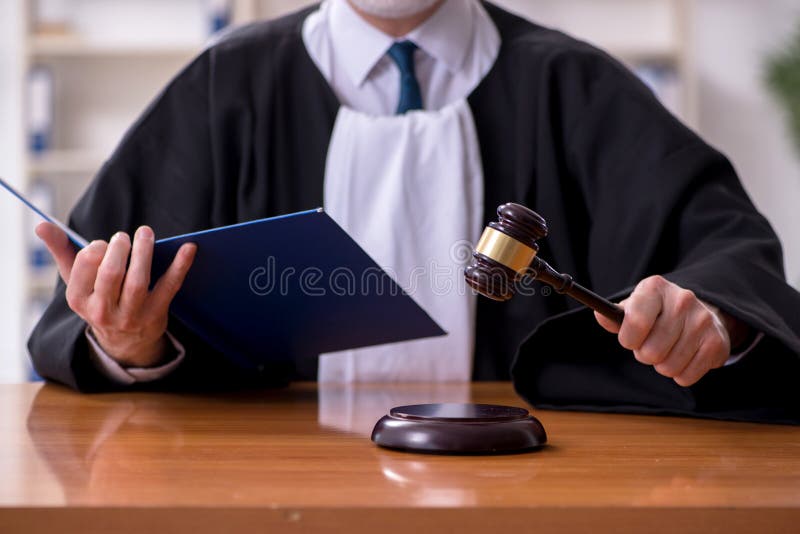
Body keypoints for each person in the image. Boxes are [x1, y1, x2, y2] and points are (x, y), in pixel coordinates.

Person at [29, 0, 800, 422]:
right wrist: (128, 341)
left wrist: (712, 321)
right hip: (277, 492)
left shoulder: (575, 86)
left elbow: (727, 254)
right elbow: (98, 298)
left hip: (529, 493)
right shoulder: (224, 87)